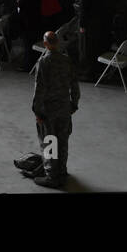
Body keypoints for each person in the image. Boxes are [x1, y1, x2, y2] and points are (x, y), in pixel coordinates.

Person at [27, 30, 80, 188]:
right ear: (57, 43)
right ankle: (62, 172)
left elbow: (40, 89)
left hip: (49, 111)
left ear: (45, 44)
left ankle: (51, 176)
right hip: (64, 109)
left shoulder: (43, 62)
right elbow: (74, 85)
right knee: (62, 141)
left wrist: (37, 111)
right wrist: (74, 103)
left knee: (49, 142)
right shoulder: (67, 60)